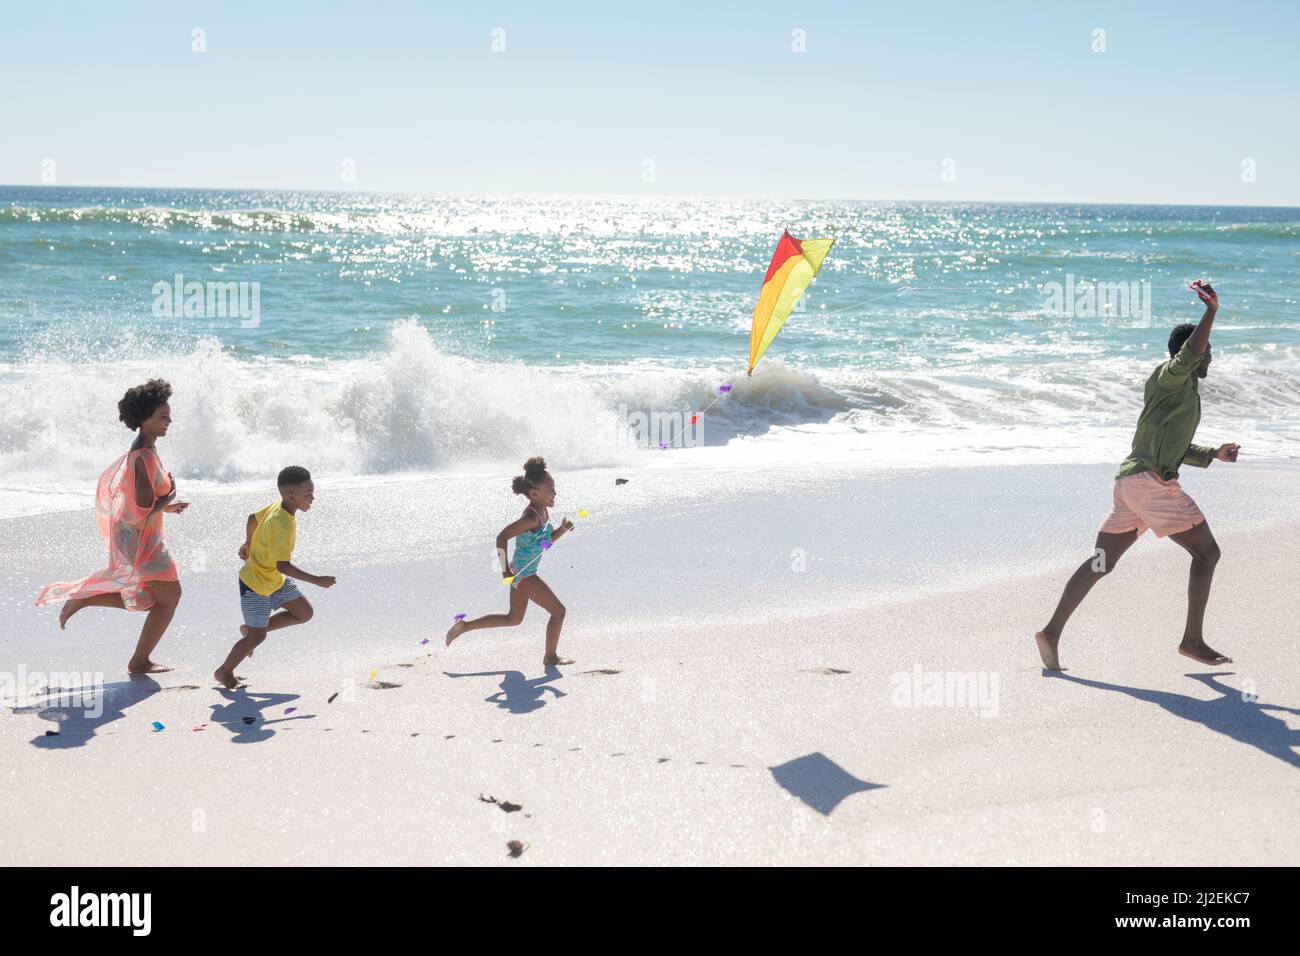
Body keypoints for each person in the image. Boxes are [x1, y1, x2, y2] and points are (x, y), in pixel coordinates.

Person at [1036, 281, 1240, 670]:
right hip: (1149, 484)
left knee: (1101, 562)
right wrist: (1211, 312)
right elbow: (1188, 355)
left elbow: (1175, 449)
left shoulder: (1182, 394)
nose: (1210, 356)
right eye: (1208, 351)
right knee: (1207, 553)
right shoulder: (1170, 376)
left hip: (1129, 485)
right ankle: (1192, 640)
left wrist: (1212, 453)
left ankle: (1051, 632)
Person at [37, 379, 189, 674]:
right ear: (144, 420)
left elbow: (136, 503)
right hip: (138, 540)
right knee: (168, 597)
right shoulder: (142, 456)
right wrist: (167, 498)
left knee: (153, 599)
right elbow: (139, 513)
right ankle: (137, 660)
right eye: (162, 416)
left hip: (139, 536)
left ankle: (88, 604)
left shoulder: (147, 448)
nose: (169, 420)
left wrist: (166, 506)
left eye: (168, 415)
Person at [445, 456, 575, 666]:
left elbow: (543, 544)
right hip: (523, 575)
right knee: (558, 612)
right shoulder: (531, 518)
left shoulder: (543, 512)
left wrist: (562, 530)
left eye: (554, 487)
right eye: (550, 488)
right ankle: (550, 657)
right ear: (534, 494)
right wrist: (505, 571)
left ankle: (464, 626)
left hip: (521, 571)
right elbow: (501, 537)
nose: (555, 492)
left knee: (513, 619)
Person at [214, 465, 335, 689]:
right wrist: (317, 580)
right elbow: (283, 566)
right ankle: (224, 671)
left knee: (304, 612)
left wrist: (248, 543)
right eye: (308, 494)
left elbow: (252, 518)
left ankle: (250, 630)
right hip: (256, 584)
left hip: (272, 580)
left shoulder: (280, 507)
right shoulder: (281, 523)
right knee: (257, 638)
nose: (313, 498)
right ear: (291, 495)